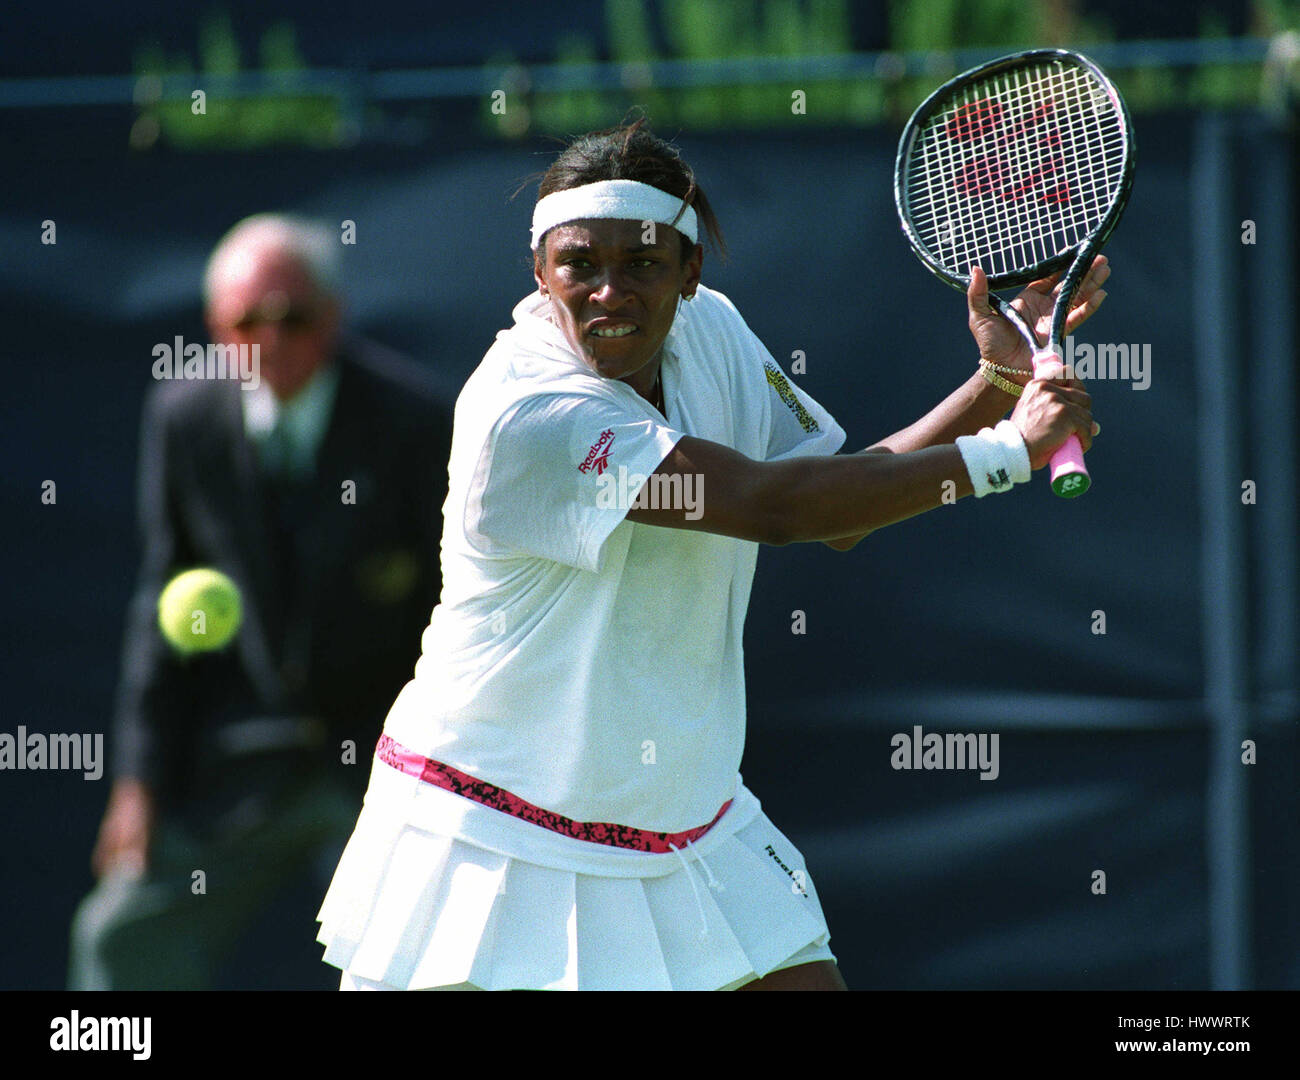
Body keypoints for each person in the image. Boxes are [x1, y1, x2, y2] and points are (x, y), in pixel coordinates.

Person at [315, 119, 1107, 992]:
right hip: (494, 834)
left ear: (690, 274)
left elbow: (835, 501)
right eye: (580, 264)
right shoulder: (529, 417)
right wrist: (1008, 453)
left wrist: (995, 384)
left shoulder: (715, 332)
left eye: (645, 264)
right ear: (540, 273)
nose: (610, 292)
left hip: (689, 822)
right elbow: (772, 510)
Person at [69, 213, 453, 990]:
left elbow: (459, 612)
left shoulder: (414, 422)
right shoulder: (185, 420)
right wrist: (137, 785)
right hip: (241, 765)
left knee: (433, 962)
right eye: (249, 321)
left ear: (334, 318)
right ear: (217, 327)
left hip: (389, 769)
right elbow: (159, 611)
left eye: (294, 318)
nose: (271, 340)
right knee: (117, 938)